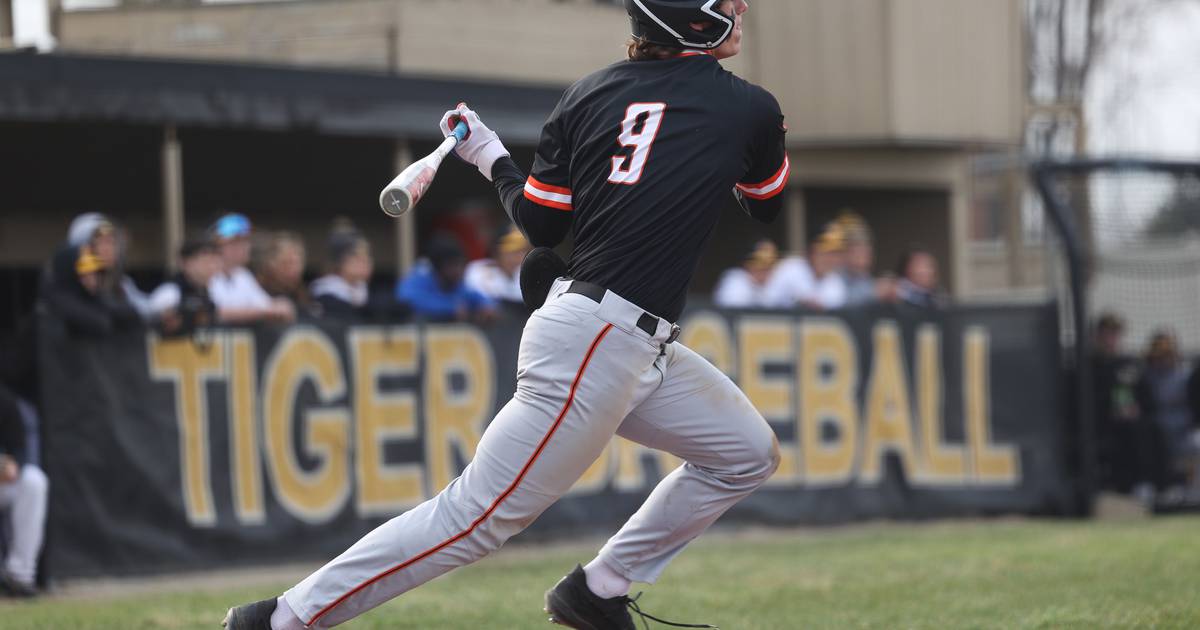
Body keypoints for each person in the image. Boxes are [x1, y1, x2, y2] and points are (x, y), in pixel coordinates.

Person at [224, 1, 784, 628]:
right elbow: (764, 204)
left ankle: (599, 588)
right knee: (476, 517)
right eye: (725, 0)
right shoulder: (749, 107)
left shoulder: (588, 93)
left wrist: (490, 154)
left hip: (626, 338)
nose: (739, 7)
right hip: (601, 338)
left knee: (746, 453)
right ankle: (282, 619)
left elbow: (542, 225)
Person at [0, 383, 48, 599]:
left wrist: (10, 466)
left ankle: (19, 576)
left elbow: (19, 451)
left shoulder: (4, 400)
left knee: (33, 481)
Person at [207, 214, 295, 325]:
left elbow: (268, 306)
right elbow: (215, 312)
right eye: (236, 242)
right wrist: (264, 312)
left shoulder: (242, 275)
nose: (246, 247)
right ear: (218, 245)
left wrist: (280, 305)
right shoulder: (207, 274)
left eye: (246, 241)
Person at [40, 245, 141, 338]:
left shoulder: (92, 295)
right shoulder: (56, 300)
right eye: (84, 274)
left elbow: (129, 313)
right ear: (71, 275)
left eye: (94, 273)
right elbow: (99, 323)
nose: (92, 279)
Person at [1138, 330, 1195, 497]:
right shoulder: (1145, 376)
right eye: (1160, 354)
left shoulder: (1186, 375)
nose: (1164, 358)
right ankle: (1159, 486)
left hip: (1184, 428)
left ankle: (1192, 489)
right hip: (1157, 429)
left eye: (1168, 353)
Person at [66, 213, 153, 319]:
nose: (108, 249)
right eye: (100, 243)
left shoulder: (123, 286)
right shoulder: (69, 291)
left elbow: (146, 309)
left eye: (111, 242)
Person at [395, 237, 497, 324]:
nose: (458, 270)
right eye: (453, 265)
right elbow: (406, 299)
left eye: (460, 264)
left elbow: (475, 296)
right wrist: (449, 308)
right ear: (438, 266)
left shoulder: (456, 283)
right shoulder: (421, 276)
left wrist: (487, 305)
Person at [147, 237, 221, 337]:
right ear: (184, 263)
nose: (211, 267)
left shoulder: (213, 291)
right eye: (205, 261)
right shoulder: (170, 292)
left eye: (214, 261)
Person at [764, 224, 847, 311]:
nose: (828, 259)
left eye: (833, 254)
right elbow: (767, 303)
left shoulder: (836, 282)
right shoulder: (789, 268)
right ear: (811, 252)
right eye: (823, 253)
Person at [311, 230, 375, 323]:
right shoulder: (324, 292)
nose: (365, 261)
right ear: (340, 261)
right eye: (357, 256)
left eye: (367, 256)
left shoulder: (371, 292)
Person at [464, 225, 532, 305]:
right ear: (496, 252)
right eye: (514, 252)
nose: (520, 256)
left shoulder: (526, 273)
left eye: (522, 250)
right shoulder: (477, 271)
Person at [712, 239, 778, 308]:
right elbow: (734, 309)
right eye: (760, 261)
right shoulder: (736, 280)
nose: (765, 268)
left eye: (771, 262)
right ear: (747, 264)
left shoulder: (775, 281)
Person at [255, 231, 311, 313]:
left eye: (299, 263)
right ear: (271, 264)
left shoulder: (301, 292)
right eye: (289, 263)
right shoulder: (256, 290)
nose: (296, 269)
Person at [837, 212, 879, 307]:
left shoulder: (865, 277)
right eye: (859, 251)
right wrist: (874, 292)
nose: (864, 258)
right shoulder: (835, 276)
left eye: (867, 252)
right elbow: (838, 301)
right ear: (845, 253)